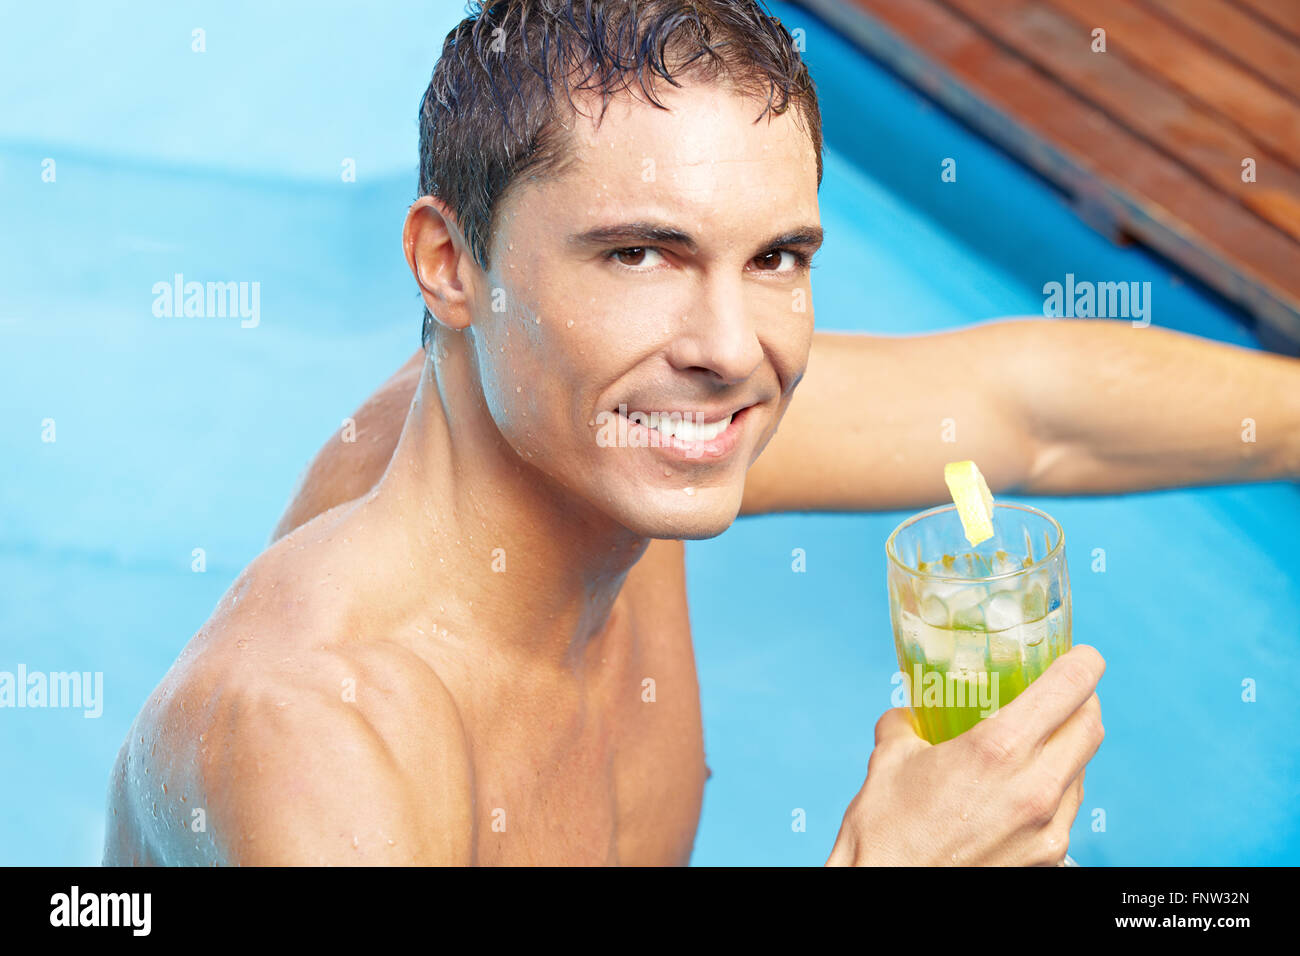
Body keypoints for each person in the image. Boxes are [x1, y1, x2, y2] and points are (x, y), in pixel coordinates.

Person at [104, 0, 1298, 866]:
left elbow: (1023, 408)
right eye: (639, 252)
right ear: (450, 262)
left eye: (775, 256)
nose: (730, 350)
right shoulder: (324, 738)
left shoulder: (624, 430)